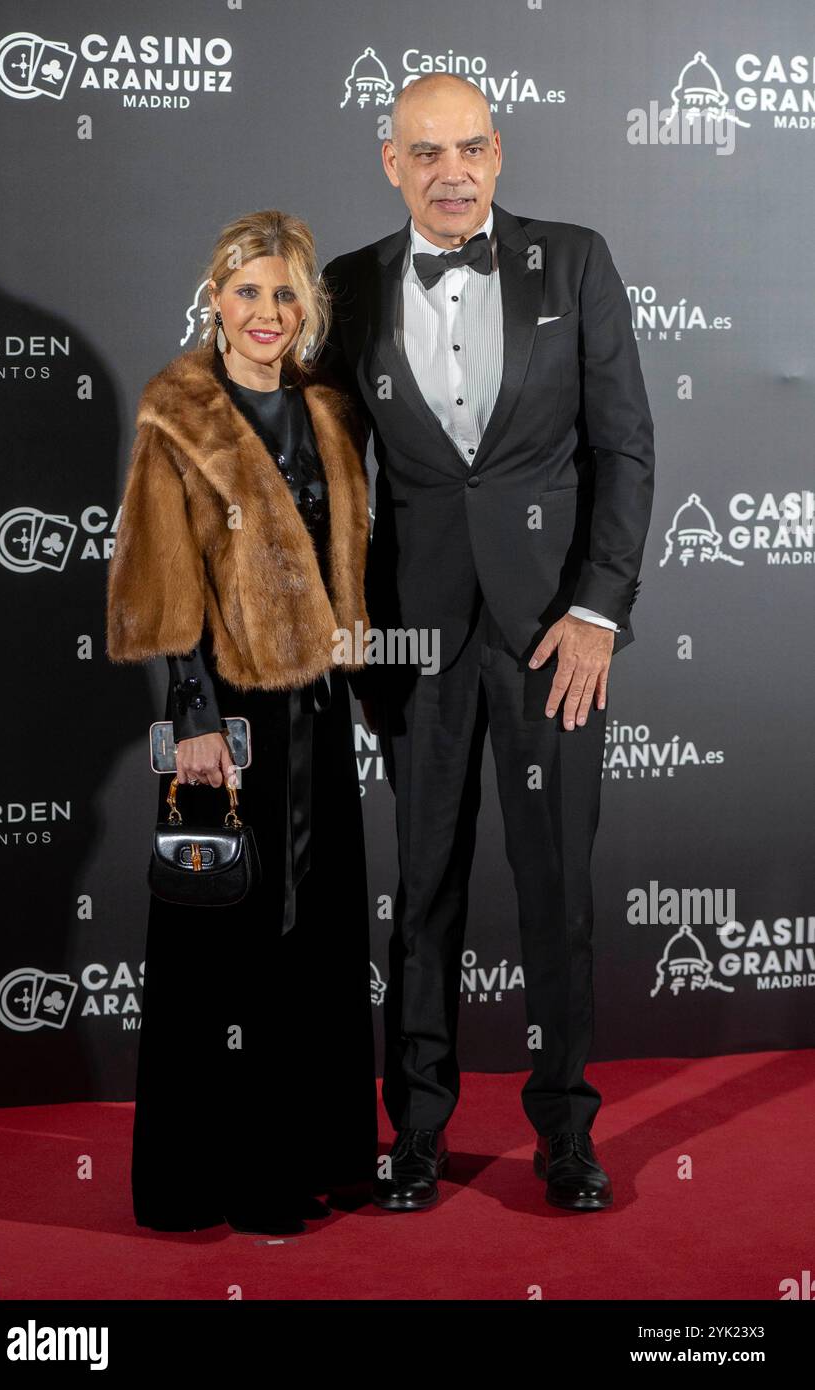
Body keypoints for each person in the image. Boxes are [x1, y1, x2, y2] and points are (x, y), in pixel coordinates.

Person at [320, 74, 655, 1213]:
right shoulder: (350, 286)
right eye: (426, 153)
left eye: (469, 148)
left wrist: (598, 612)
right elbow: (329, 475)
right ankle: (416, 1131)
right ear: (391, 162)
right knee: (422, 891)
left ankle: (566, 1132)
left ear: (498, 152)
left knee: (557, 891)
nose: (451, 172)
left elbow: (624, 447)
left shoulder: (574, 261)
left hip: (555, 636)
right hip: (414, 641)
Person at [106, 209, 377, 1236]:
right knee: (226, 938)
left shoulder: (328, 409)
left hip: (320, 707)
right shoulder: (179, 410)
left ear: (307, 306)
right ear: (215, 296)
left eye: (285, 293)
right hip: (229, 714)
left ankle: (315, 1155)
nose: (268, 311)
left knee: (315, 935)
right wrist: (194, 717)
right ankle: (215, 1176)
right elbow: (159, 573)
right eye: (248, 290)